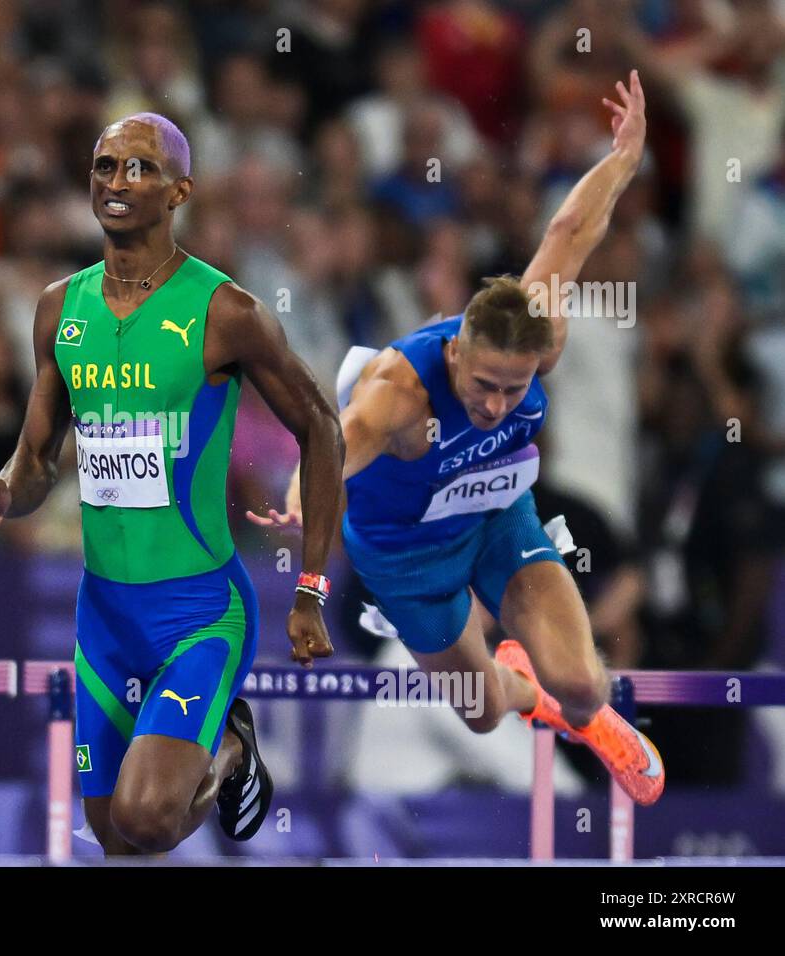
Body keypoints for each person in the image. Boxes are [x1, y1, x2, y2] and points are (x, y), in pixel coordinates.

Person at [254, 73, 664, 806]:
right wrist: (295, 499)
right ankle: (523, 690)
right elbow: (333, 441)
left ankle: (582, 712)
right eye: (484, 387)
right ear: (456, 356)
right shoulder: (401, 392)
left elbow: (569, 231)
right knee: (479, 715)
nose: (497, 404)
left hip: (495, 517)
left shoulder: (536, 325)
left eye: (516, 389)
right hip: (408, 554)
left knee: (582, 680)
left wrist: (625, 158)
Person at [0, 113, 345, 854]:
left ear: (179, 192)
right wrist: (6, 495)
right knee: (114, 838)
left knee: (145, 816)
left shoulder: (225, 312)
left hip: (199, 613)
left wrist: (311, 587)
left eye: (139, 168)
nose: (116, 181)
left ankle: (231, 746)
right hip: (102, 617)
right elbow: (36, 463)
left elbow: (322, 429)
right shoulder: (58, 310)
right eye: (105, 166)